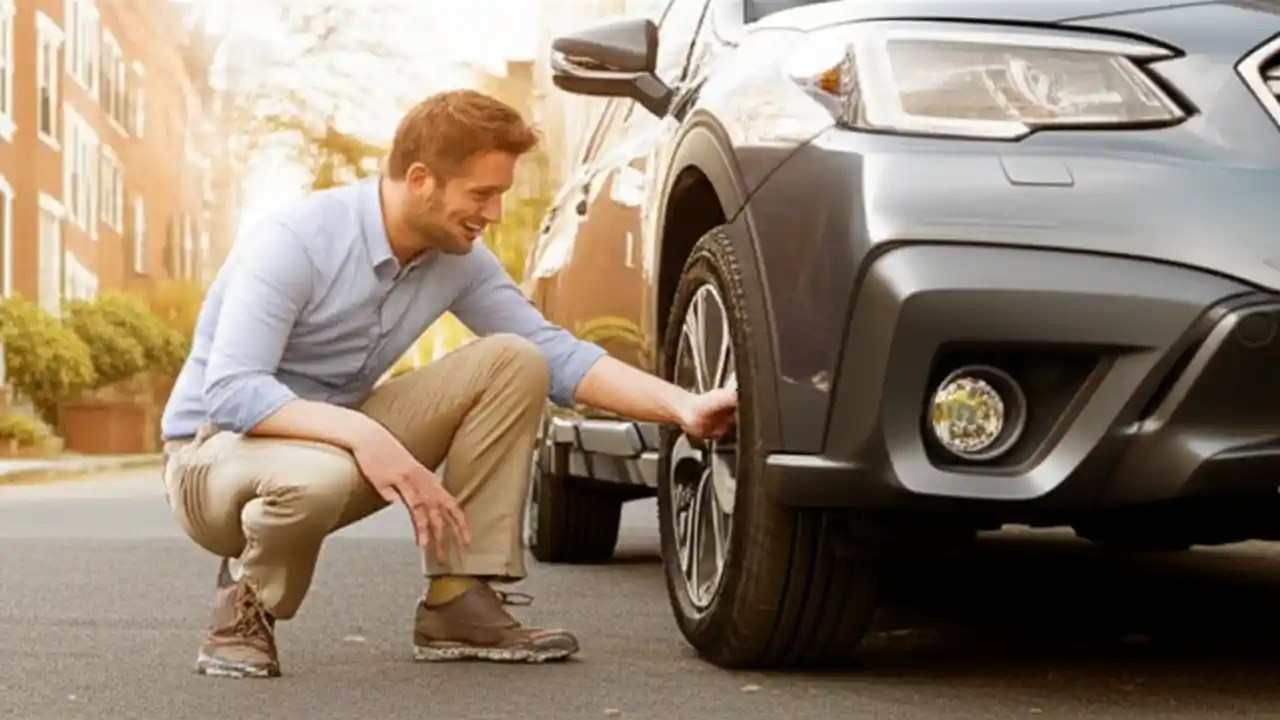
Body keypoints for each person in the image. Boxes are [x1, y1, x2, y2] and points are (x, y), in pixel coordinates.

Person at [158, 89, 738, 679]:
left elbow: (557, 355)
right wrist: (362, 435)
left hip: (331, 438)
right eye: (482, 195)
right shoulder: (295, 240)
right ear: (419, 179)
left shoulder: (456, 256)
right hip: (214, 457)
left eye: (500, 195)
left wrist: (683, 406)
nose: (494, 215)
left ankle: (457, 598)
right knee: (318, 475)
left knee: (514, 359)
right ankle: (243, 608)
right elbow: (231, 392)